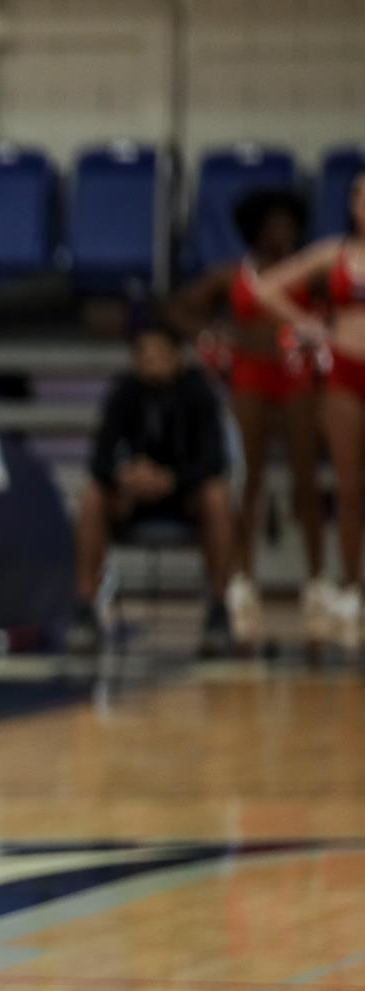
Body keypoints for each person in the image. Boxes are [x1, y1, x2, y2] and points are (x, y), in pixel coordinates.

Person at [174, 190, 325, 644]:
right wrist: (209, 334)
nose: (284, 232)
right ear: (256, 230)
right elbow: (179, 306)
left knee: (305, 479)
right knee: (249, 480)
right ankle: (243, 578)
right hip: (249, 377)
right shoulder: (231, 274)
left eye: (290, 224)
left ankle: (318, 580)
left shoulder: (308, 270)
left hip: (295, 376)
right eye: (275, 224)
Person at [68, 318, 235, 657]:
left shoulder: (198, 393)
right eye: (143, 354)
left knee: (217, 497)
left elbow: (215, 461)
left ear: (177, 356)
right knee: (91, 496)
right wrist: (125, 477)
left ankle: (218, 608)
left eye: (158, 353)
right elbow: (98, 459)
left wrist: (171, 480)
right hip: (134, 498)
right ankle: (85, 607)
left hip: (183, 493)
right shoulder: (124, 392)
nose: (150, 361)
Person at [252, 172, 365, 650]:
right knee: (348, 483)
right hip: (342, 370)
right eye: (361, 192)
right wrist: (310, 326)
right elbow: (264, 288)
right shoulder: (333, 253)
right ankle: (348, 586)